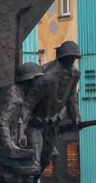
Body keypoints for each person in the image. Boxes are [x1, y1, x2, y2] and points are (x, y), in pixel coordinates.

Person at [27, 40, 81, 174]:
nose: (71, 61)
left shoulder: (75, 74)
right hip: (35, 119)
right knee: (35, 158)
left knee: (47, 157)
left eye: (73, 58)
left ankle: (32, 182)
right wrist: (23, 122)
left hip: (52, 120)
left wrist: (76, 116)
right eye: (69, 58)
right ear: (62, 58)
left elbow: (71, 96)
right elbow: (29, 101)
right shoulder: (47, 76)